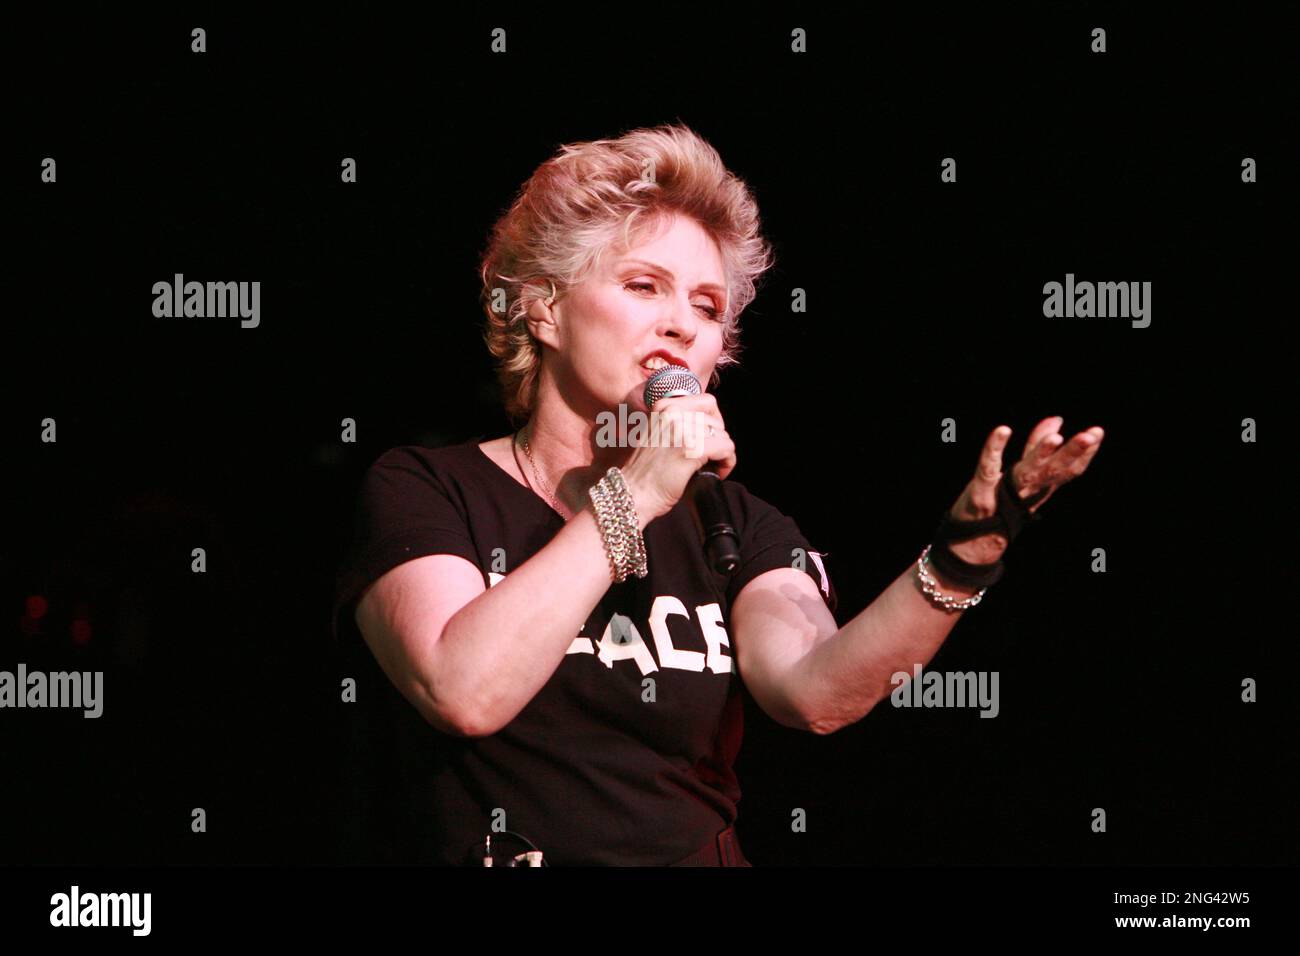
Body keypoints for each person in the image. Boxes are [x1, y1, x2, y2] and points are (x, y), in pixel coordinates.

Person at [330, 123, 1105, 867]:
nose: (680, 326)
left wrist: (964, 559)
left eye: (706, 307)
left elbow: (816, 692)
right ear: (543, 309)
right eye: (644, 286)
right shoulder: (428, 488)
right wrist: (636, 491)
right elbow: (464, 690)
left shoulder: (729, 520)